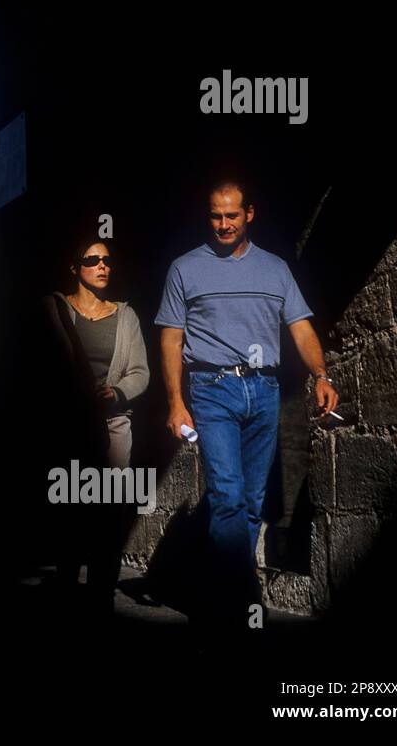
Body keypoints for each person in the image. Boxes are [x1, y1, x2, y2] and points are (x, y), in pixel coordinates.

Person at [155, 178, 338, 630]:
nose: (223, 224)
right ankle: (234, 599)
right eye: (215, 215)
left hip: (265, 390)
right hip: (212, 389)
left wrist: (321, 375)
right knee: (228, 496)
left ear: (249, 214)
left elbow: (300, 328)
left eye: (232, 215)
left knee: (253, 501)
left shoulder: (275, 269)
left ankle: (225, 588)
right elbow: (171, 337)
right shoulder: (185, 269)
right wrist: (176, 403)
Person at [42, 238, 149, 614]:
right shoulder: (55, 309)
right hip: (68, 425)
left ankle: (102, 598)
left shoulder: (126, 316)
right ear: (75, 267)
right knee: (71, 508)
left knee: (110, 509)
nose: (102, 266)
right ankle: (68, 594)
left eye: (107, 260)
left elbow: (140, 372)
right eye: (92, 259)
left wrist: (117, 393)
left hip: (113, 424)